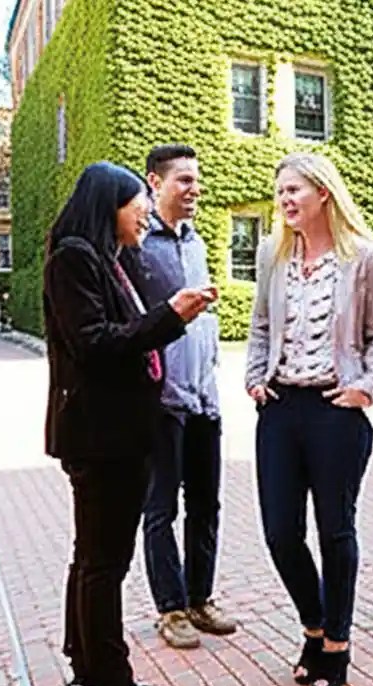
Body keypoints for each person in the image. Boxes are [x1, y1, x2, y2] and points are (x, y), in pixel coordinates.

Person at [44, 161, 216, 686]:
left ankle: (86, 678)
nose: (144, 210)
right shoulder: (75, 256)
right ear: (108, 204)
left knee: (91, 560)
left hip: (115, 434)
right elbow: (95, 345)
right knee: (104, 564)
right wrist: (170, 316)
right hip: (102, 438)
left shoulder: (106, 260)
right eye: (136, 201)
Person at [244, 152, 373, 686]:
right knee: (281, 533)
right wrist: (255, 377)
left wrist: (367, 388)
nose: (284, 200)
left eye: (294, 191)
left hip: (337, 410)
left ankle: (336, 643)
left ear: (323, 194)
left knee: (336, 530)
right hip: (281, 409)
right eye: (280, 191)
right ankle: (313, 624)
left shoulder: (364, 258)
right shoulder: (272, 255)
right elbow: (260, 326)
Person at [121, 144, 236, 649]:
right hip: (161, 401)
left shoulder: (197, 242)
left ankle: (199, 598)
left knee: (206, 504)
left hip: (203, 396)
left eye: (197, 180)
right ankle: (170, 609)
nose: (195, 189)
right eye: (185, 180)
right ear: (155, 181)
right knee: (161, 508)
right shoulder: (135, 248)